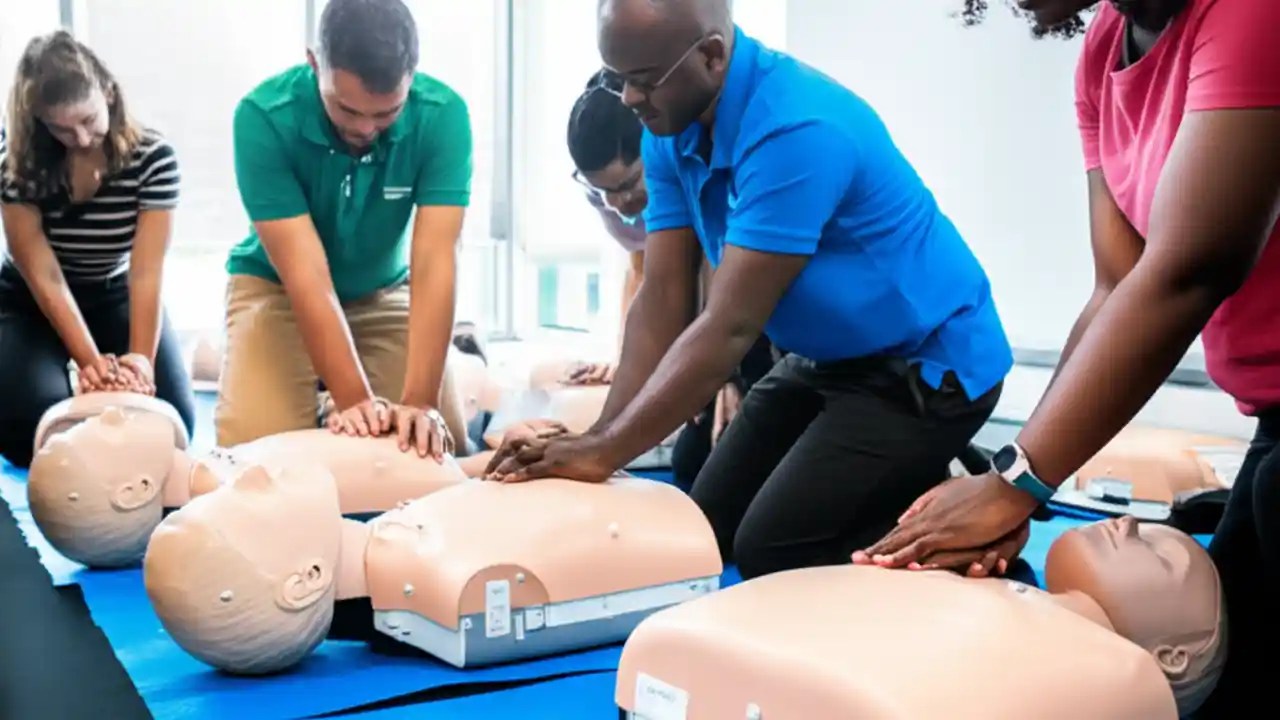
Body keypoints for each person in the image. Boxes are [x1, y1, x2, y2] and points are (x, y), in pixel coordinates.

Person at [487, 0, 1012, 582]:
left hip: (927, 368)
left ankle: (977, 530)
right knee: (707, 529)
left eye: (642, 81)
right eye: (618, 81)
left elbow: (729, 325)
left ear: (711, 56)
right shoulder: (669, 125)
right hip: (826, 359)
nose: (631, 100)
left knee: (774, 552)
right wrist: (598, 440)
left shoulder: (797, 128)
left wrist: (603, 453)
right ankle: (917, 488)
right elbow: (663, 296)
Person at [857, 0, 1280, 713]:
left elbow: (1190, 270)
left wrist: (1018, 484)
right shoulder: (1104, 51)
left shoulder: (1252, 14)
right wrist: (1019, 475)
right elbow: (1118, 286)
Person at [216, 0, 470, 459]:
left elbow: (434, 260)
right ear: (315, 64)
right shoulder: (261, 117)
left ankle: (465, 355)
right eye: (347, 110)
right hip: (277, 290)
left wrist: (420, 401)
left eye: (386, 113)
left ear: (413, 75)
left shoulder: (444, 115)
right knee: (254, 455)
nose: (366, 129)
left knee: (437, 443)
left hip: (381, 290)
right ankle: (324, 391)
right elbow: (306, 275)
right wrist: (355, 401)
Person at [566, 70, 777, 490]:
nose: (616, 203)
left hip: (759, 324)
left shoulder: (705, 161)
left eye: (625, 185)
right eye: (601, 191)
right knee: (692, 461)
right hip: (715, 324)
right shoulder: (623, 194)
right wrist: (622, 388)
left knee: (714, 466)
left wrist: (724, 374)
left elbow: (728, 290)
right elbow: (650, 280)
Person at [0, 31, 195, 468]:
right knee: (26, 432)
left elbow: (145, 272)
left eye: (88, 120)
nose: (82, 138)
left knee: (174, 422)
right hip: (29, 300)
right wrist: (90, 362)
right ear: (40, 122)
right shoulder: (17, 166)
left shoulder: (154, 158)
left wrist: (139, 363)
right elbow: (43, 276)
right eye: (62, 130)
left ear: (108, 93)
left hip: (113, 291)